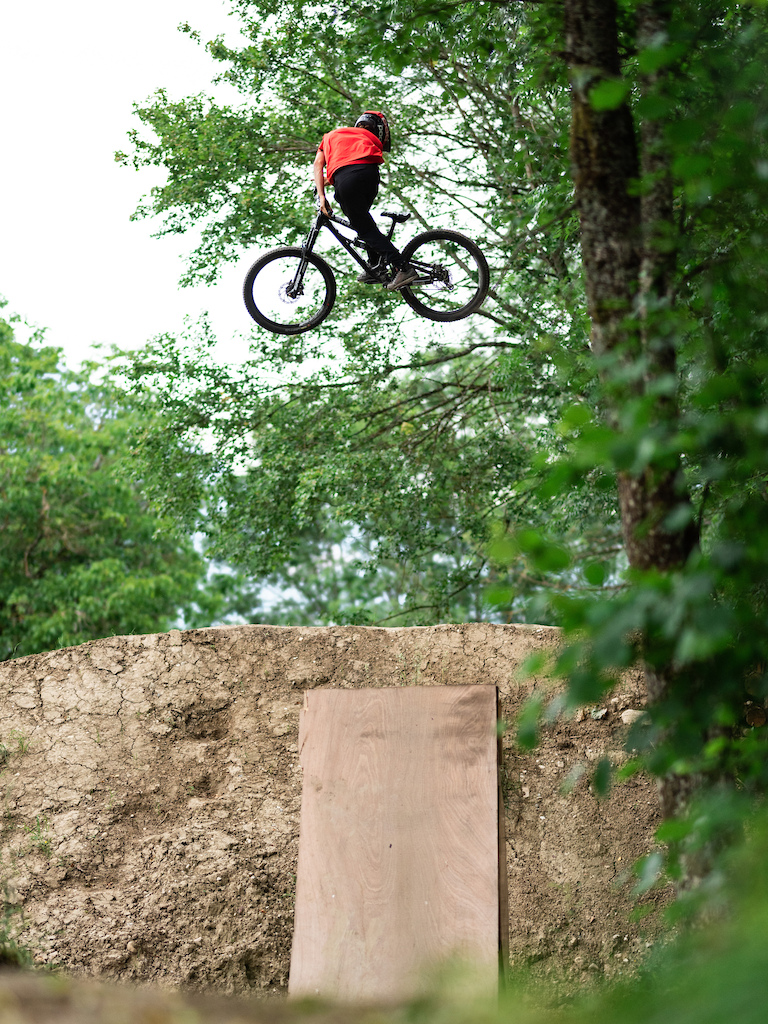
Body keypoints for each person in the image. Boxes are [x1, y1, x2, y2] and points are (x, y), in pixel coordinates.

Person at [313, 111, 418, 291]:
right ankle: (375, 265)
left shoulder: (331, 136)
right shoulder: (367, 138)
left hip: (347, 179)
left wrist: (321, 195)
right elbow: (351, 166)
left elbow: (319, 165)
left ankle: (403, 267)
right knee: (362, 221)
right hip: (369, 177)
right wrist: (326, 184)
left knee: (364, 226)